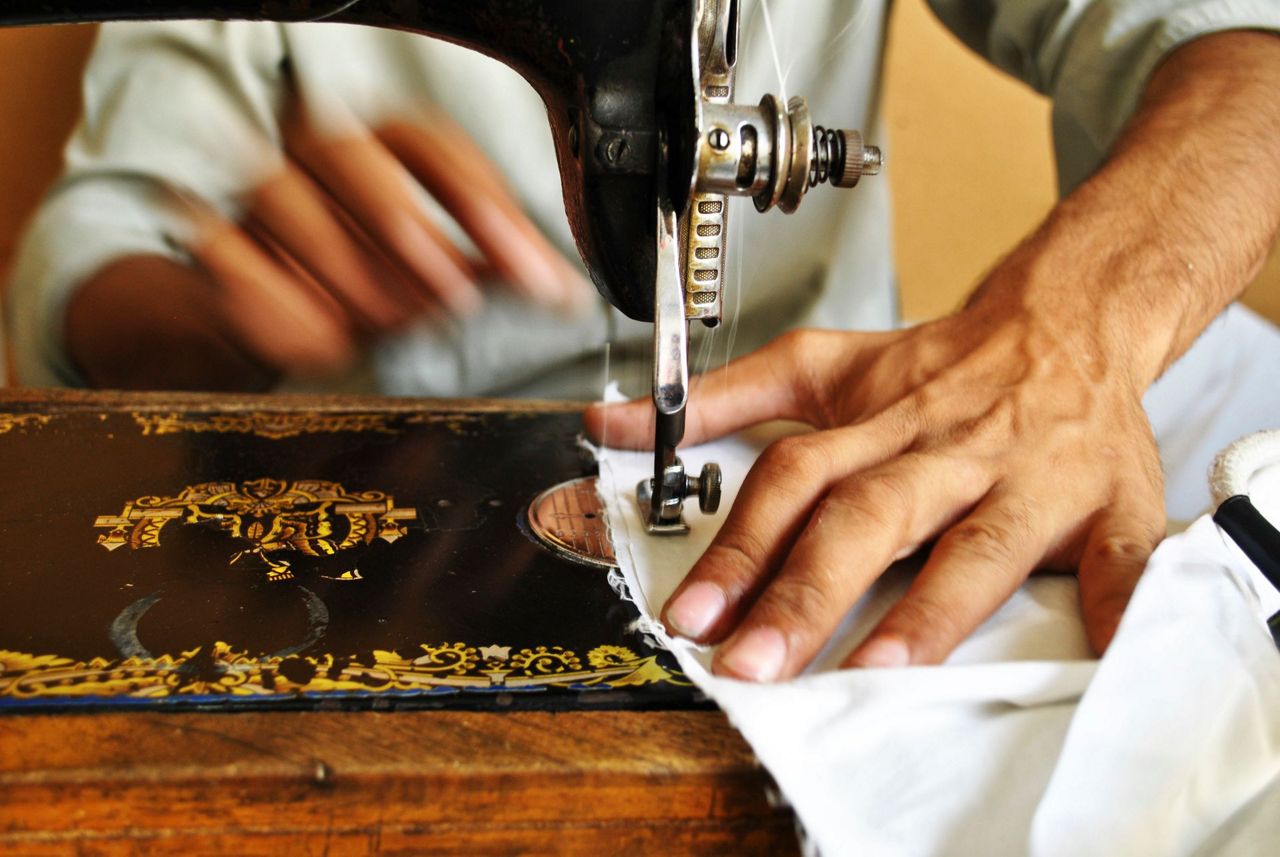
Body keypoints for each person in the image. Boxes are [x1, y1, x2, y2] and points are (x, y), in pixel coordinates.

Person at [7, 2, 1280, 683]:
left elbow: (1237, 48)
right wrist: (221, 306)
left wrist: (1064, 339)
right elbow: (88, 252)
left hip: (790, 433)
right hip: (361, 495)